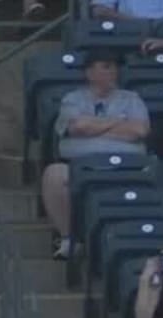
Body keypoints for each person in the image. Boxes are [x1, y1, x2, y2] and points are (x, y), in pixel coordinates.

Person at [39, 51, 150, 259]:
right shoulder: (73, 99)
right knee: (54, 175)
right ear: (89, 72)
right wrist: (119, 121)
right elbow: (78, 127)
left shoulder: (131, 99)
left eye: (115, 67)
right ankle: (68, 239)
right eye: (106, 66)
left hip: (127, 168)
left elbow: (139, 131)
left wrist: (94, 128)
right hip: (82, 167)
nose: (113, 71)